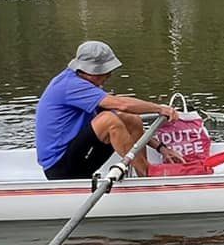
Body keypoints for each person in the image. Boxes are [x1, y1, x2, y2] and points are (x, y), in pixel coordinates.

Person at [35, 40, 185, 180]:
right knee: (109, 120)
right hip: (60, 169)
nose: (109, 75)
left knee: (130, 118)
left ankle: (143, 176)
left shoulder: (82, 81)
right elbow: (121, 104)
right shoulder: (70, 85)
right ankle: (148, 173)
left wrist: (161, 148)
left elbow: (123, 111)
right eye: (104, 71)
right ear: (88, 71)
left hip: (78, 158)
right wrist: (160, 108)